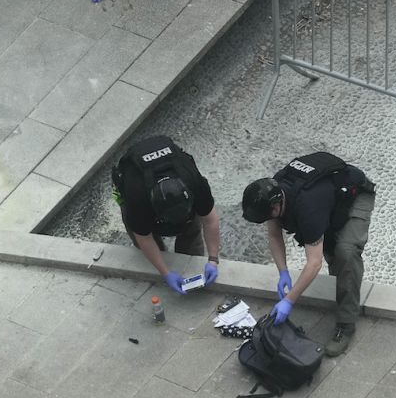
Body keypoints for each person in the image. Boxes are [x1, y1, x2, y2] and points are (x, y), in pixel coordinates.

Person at [242, 151, 375, 357]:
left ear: (277, 205)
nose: (268, 220)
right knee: (330, 247)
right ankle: (342, 285)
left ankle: (346, 324)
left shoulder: (308, 206)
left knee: (345, 253)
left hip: (355, 194)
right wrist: (283, 272)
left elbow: (314, 263)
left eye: (268, 215)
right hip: (329, 199)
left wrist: (289, 301)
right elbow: (274, 236)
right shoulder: (274, 190)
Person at [112, 134, 221, 294]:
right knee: (141, 233)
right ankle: (161, 258)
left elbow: (210, 220)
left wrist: (213, 260)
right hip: (135, 181)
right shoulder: (137, 198)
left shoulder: (193, 182)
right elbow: (144, 237)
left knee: (191, 232)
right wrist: (165, 273)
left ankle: (190, 258)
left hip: (177, 177)